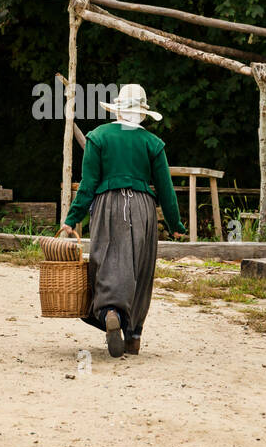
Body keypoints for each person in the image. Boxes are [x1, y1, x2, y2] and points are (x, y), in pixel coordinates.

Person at [62, 84, 187, 358]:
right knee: (140, 267)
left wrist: (72, 219)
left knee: (106, 259)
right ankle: (133, 335)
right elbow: (165, 189)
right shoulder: (152, 143)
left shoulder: (99, 137)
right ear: (142, 114)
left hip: (107, 203)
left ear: (117, 110)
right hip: (143, 207)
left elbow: (88, 185)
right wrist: (176, 225)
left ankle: (109, 310)